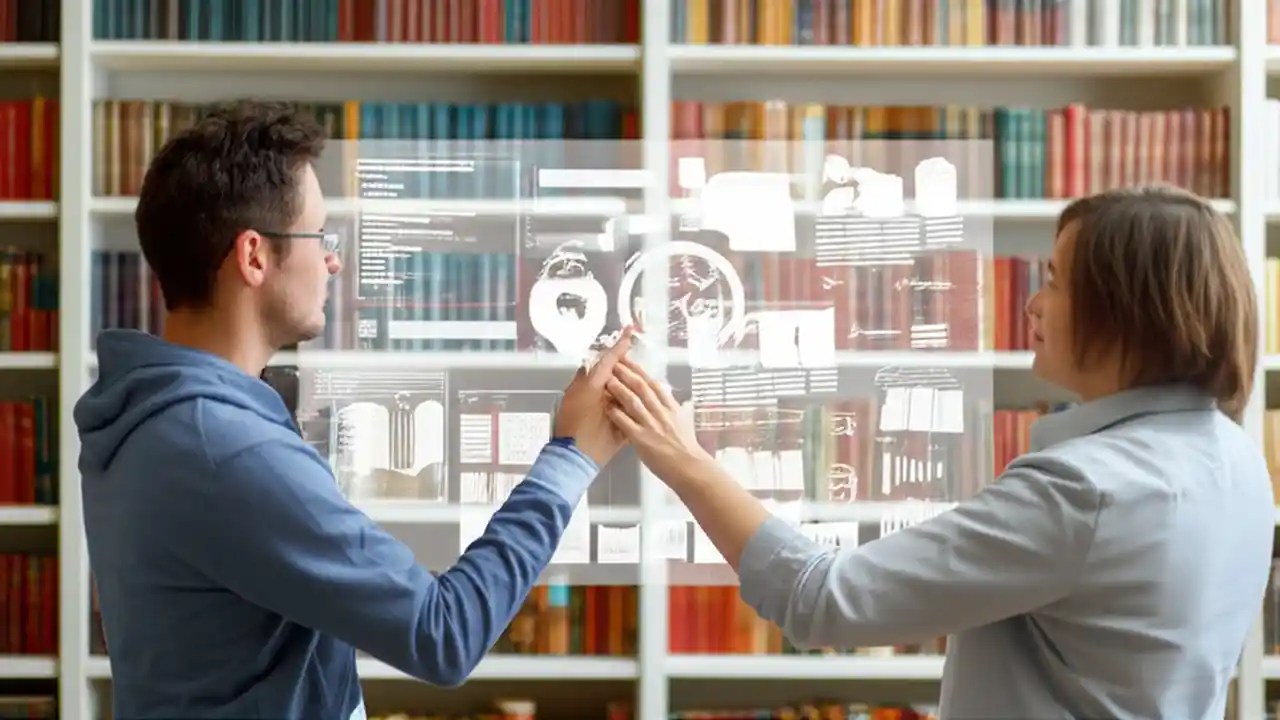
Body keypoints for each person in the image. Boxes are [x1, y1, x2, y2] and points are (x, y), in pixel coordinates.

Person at [604, 185, 1273, 720]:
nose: (1033, 304)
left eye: (1058, 281)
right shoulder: (1236, 460)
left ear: (1127, 310)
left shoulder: (1082, 491)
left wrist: (682, 458)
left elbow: (825, 600)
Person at [74, 100, 633, 719]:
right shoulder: (221, 445)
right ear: (254, 256)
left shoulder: (143, 415)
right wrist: (570, 459)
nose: (333, 260)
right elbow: (443, 634)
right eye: (321, 237)